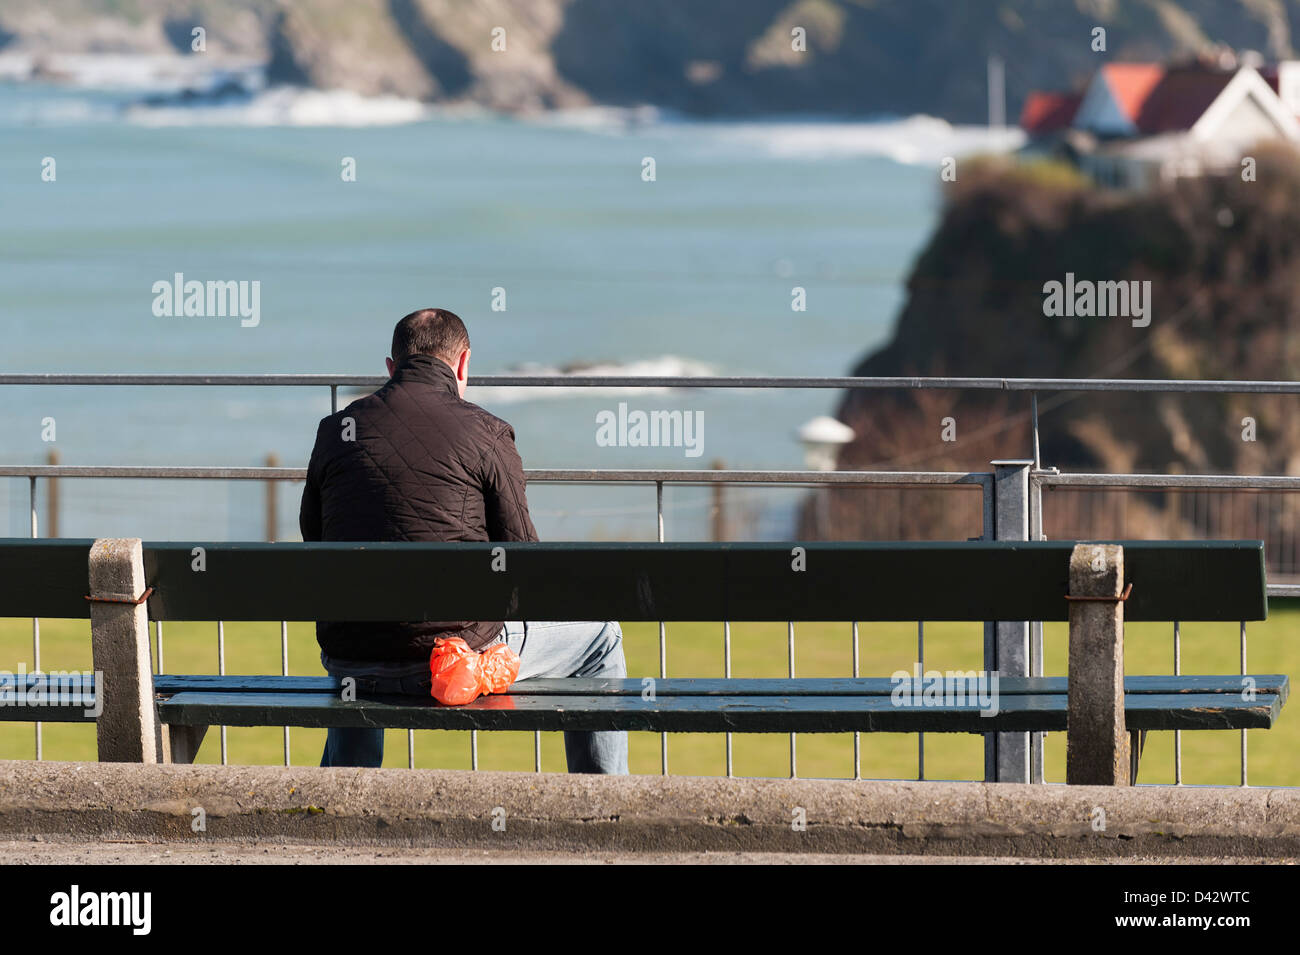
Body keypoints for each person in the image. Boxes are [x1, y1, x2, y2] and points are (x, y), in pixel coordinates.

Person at [299, 307, 628, 773]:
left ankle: (342, 804)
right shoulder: (487, 433)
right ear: (462, 364)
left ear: (391, 368)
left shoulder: (335, 432)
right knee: (602, 638)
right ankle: (602, 804)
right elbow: (524, 565)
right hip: (450, 663)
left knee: (365, 636)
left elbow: (315, 539)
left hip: (354, 660)